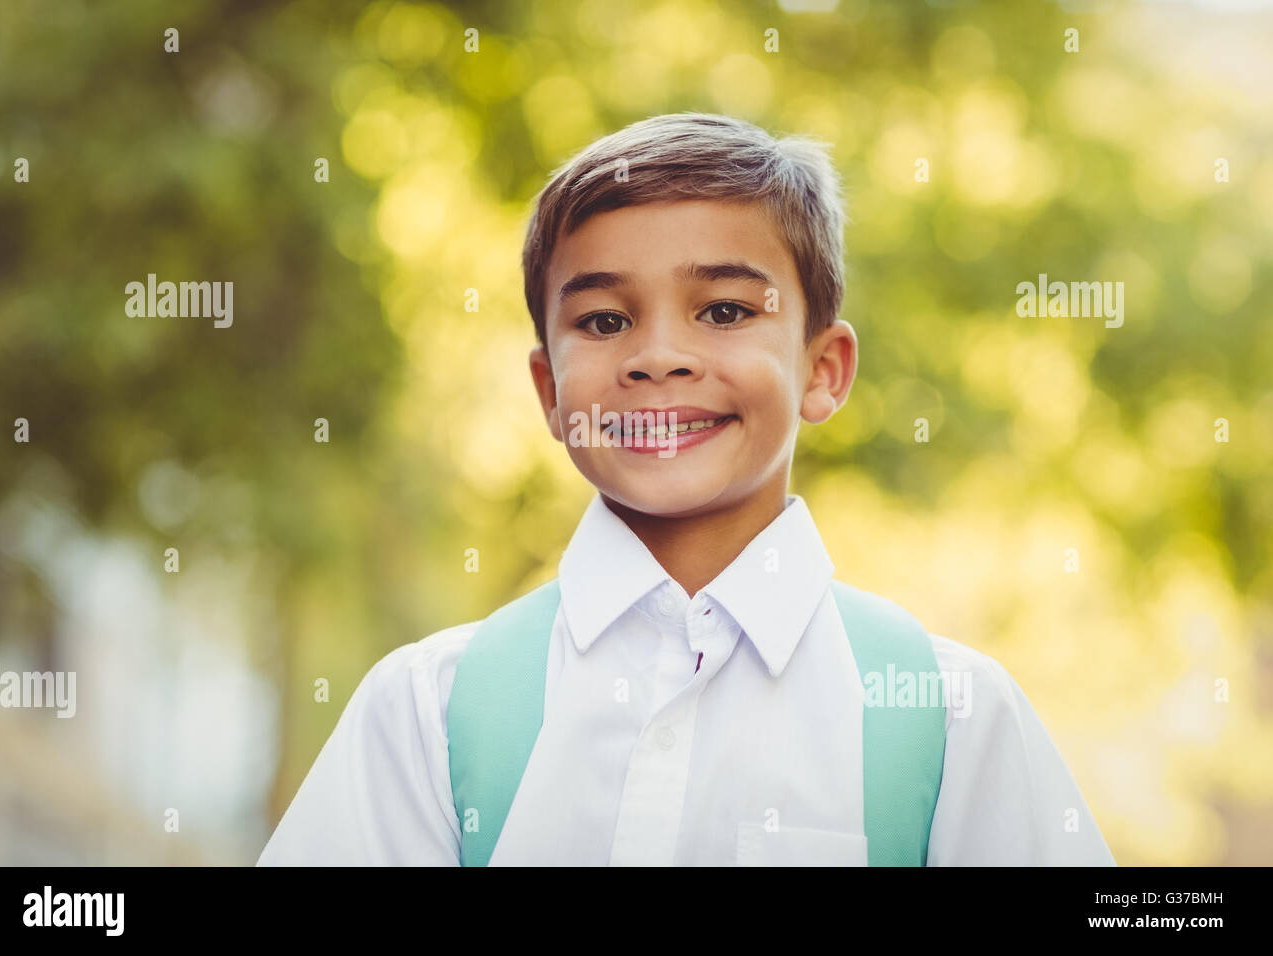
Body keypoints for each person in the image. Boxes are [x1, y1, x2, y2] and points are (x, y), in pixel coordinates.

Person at [258, 112, 1116, 866]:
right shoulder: (427, 712)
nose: (657, 356)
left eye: (725, 311)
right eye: (603, 321)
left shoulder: (951, 718)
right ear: (550, 392)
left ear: (824, 370)